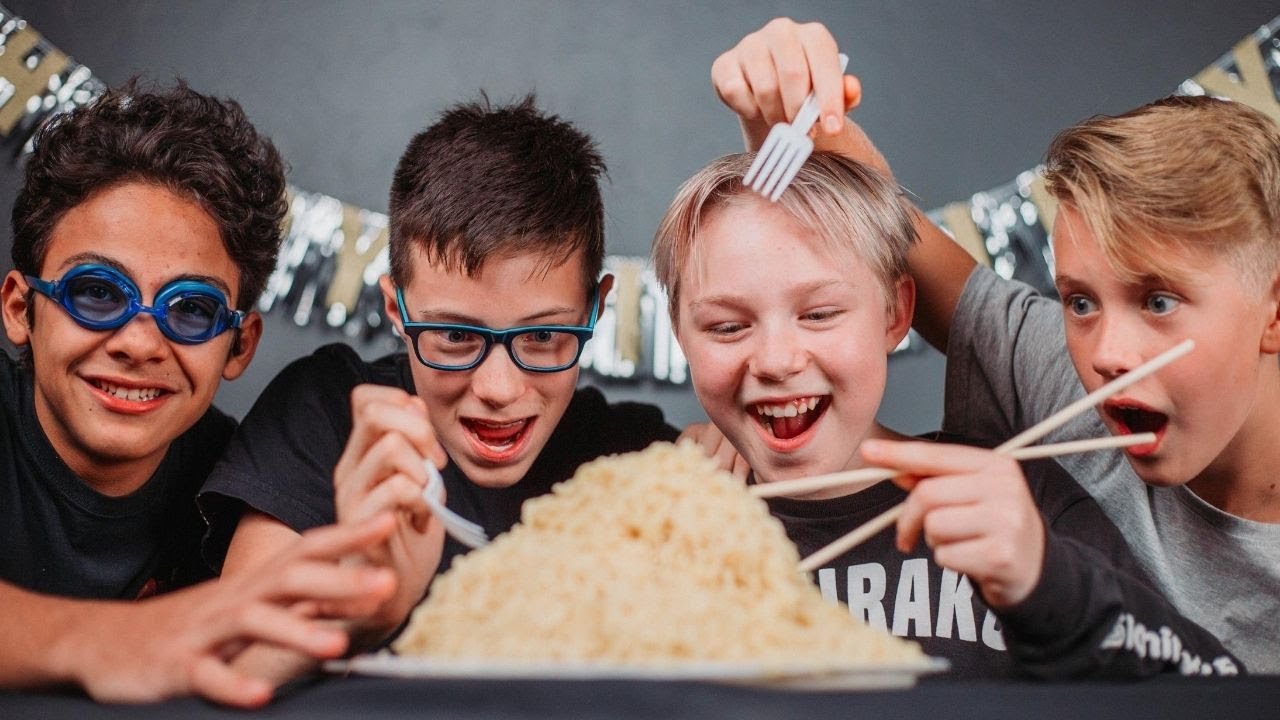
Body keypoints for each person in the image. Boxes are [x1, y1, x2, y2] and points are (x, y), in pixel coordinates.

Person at [710, 18, 1280, 673]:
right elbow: (857, 201)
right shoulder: (1064, 374)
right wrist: (784, 94)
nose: (1107, 355)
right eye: (1081, 301)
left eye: (1159, 301)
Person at [653, 150, 1239, 677]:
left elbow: (1219, 689)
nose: (777, 361)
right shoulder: (659, 530)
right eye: (727, 327)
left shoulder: (1019, 497)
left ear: (894, 314)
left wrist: (1048, 578)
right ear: (681, 337)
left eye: (821, 314)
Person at [200, 96, 680, 679]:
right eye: (454, 334)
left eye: (544, 336)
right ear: (395, 311)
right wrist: (368, 607)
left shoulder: (643, 464)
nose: (499, 388)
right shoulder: (330, 412)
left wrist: (731, 461)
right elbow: (231, 668)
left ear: (596, 309)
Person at [0, 80, 399, 705]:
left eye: (190, 309)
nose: (140, 343)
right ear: (22, 310)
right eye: (97, 293)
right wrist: (107, 640)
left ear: (239, 346)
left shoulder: (243, 496)